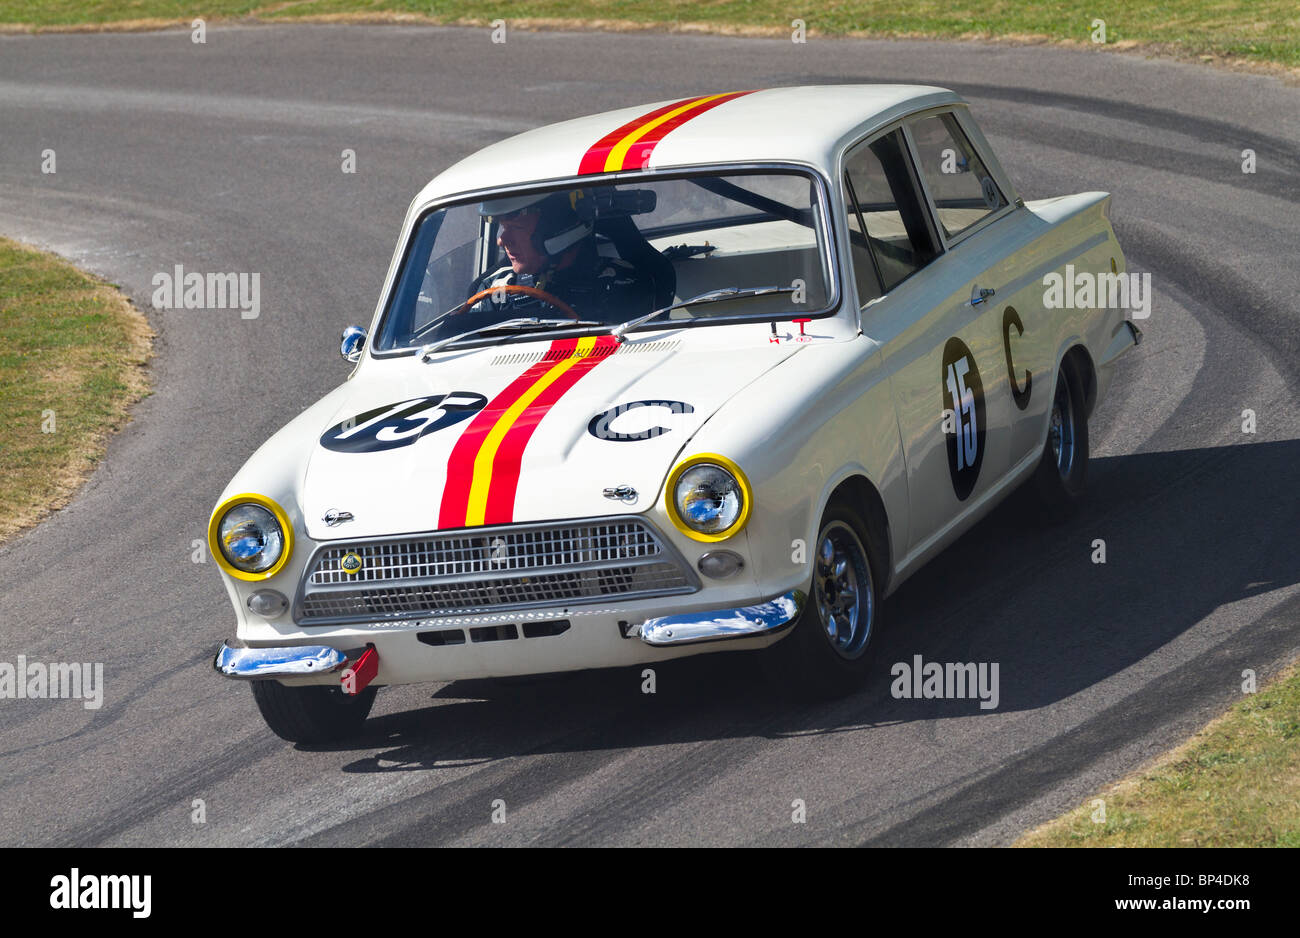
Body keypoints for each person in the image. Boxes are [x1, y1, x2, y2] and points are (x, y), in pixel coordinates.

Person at [470, 189, 656, 323]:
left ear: (556, 229)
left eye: (516, 228)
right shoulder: (495, 289)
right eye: (503, 227)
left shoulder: (621, 283)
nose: (501, 240)